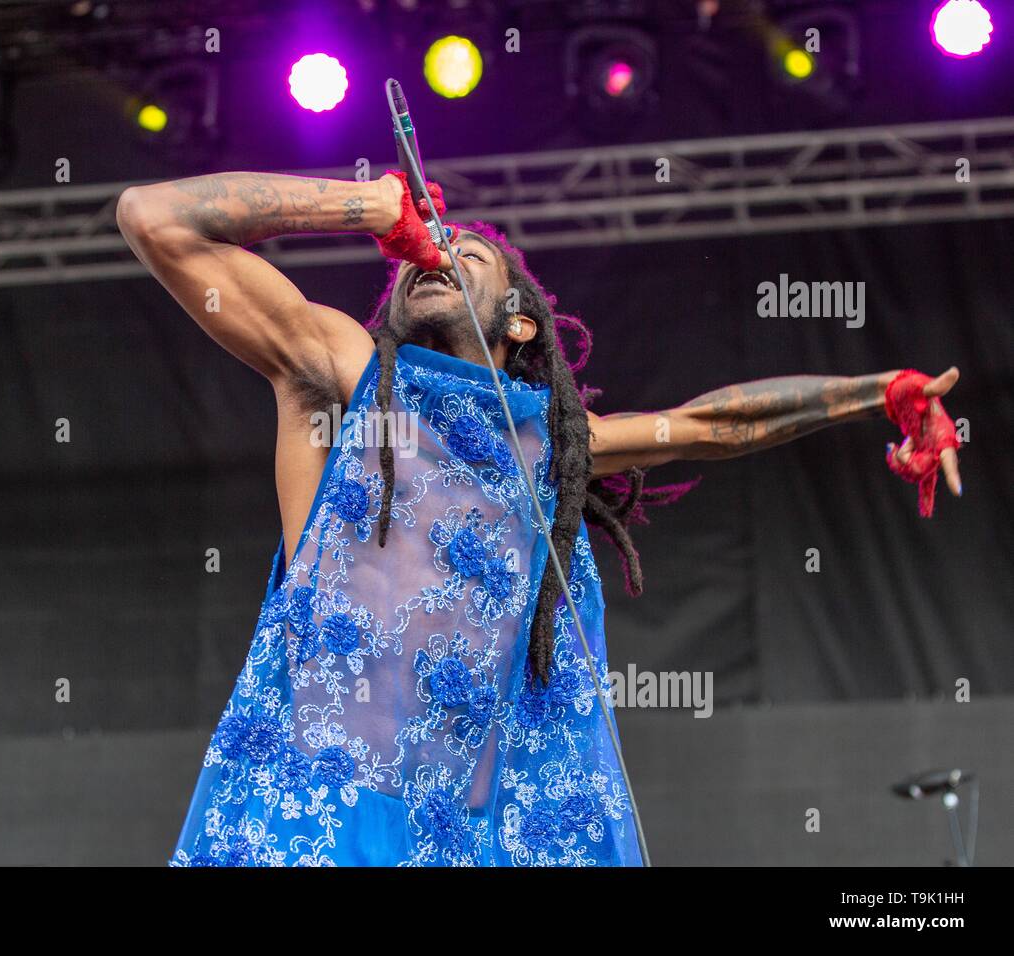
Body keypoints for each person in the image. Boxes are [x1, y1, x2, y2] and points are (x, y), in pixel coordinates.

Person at [116, 170, 962, 866]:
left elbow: (714, 427)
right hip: (311, 820)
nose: (435, 252)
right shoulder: (341, 374)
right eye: (421, 251)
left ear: (519, 320)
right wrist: (370, 206)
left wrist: (881, 394)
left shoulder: (550, 445)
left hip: (476, 835)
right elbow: (155, 219)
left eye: (468, 253)